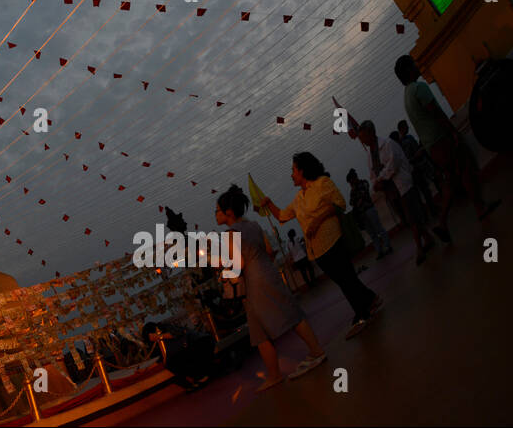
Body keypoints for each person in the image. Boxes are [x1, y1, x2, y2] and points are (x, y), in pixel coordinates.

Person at [215, 187, 326, 391]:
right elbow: (268, 251)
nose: (216, 214)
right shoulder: (254, 225)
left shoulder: (230, 235)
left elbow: (237, 265)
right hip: (267, 273)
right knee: (260, 332)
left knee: (288, 317)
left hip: (255, 282)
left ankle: (316, 352)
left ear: (229, 212)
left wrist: (223, 270)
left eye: (218, 210)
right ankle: (274, 374)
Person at [262, 152, 382, 339]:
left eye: (293, 170)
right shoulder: (299, 198)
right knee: (344, 280)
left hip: (332, 240)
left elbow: (339, 204)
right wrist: (268, 203)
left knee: (346, 279)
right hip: (316, 250)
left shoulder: (322, 183)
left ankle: (362, 314)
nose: (291, 174)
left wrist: (318, 220)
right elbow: (282, 216)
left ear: (302, 170)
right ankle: (370, 299)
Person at [395, 55, 499, 232]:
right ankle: (480, 208)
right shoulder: (420, 88)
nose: (417, 66)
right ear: (408, 70)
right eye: (413, 64)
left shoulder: (407, 96)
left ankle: (443, 222)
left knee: (451, 181)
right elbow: (436, 112)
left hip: (431, 146)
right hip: (441, 139)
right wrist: (453, 132)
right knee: (465, 169)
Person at [358, 120, 434, 263]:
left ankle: (419, 248)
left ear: (371, 133)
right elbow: (372, 175)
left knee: (412, 218)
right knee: (407, 220)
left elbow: (393, 165)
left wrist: (380, 179)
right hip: (392, 193)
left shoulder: (387, 144)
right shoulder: (370, 155)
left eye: (363, 136)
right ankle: (428, 237)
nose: (362, 140)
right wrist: (375, 183)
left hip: (403, 187)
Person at [141, 321, 215, 390]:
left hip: (201, 343)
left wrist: (158, 336)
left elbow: (176, 333)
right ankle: (194, 381)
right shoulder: (160, 342)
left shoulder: (165, 327)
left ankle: (201, 377)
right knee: (170, 363)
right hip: (196, 346)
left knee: (174, 362)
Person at [346, 168, 392, 258]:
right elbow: (351, 202)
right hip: (363, 214)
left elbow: (361, 197)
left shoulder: (364, 183)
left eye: (351, 182)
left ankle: (388, 246)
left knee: (379, 229)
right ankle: (379, 251)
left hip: (369, 210)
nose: (351, 184)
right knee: (372, 234)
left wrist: (357, 199)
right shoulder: (353, 190)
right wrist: (356, 197)